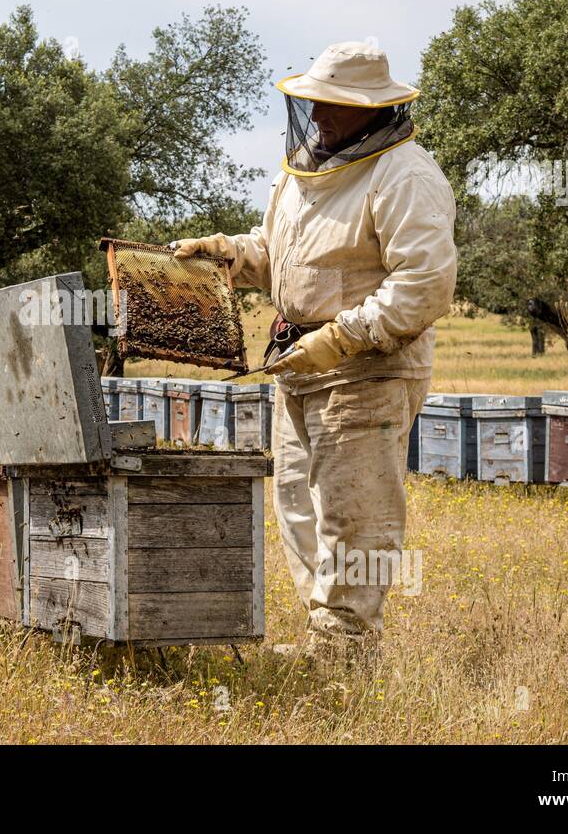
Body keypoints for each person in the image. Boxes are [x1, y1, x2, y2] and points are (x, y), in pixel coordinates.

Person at [173, 41, 457, 668]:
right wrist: (226, 252)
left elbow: (424, 284)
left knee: (356, 519)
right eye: (315, 101)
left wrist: (340, 338)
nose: (321, 114)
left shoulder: (404, 175)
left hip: (367, 369)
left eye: (335, 104)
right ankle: (323, 646)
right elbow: (279, 257)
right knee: (299, 509)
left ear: (373, 109)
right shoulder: (303, 171)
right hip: (298, 364)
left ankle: (348, 656)